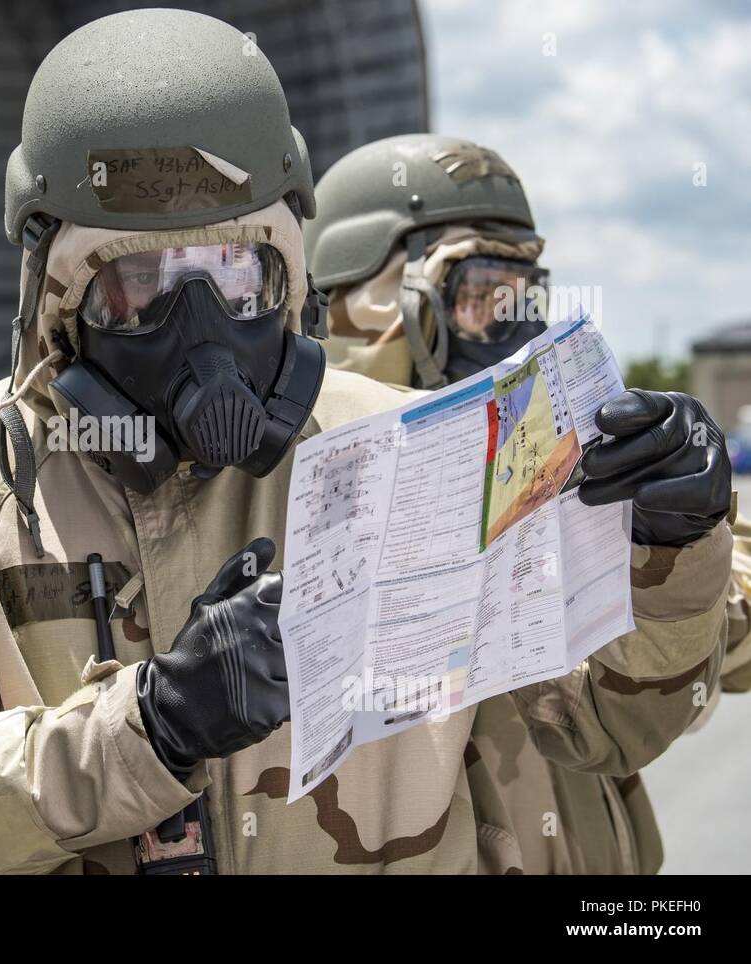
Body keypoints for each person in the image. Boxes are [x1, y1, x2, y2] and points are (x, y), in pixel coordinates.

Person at [0, 10, 734, 874]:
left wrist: (671, 553)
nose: (201, 327)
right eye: (140, 282)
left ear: (292, 278)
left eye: (237, 274)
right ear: (62, 298)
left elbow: (605, 728)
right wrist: (152, 726)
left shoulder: (418, 454)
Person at [303, 133, 751, 872]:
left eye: (523, 296)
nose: (512, 330)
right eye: (477, 296)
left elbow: (657, 691)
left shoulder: (548, 495)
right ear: (368, 313)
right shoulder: (314, 534)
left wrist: (677, 537)